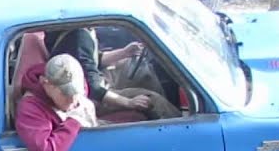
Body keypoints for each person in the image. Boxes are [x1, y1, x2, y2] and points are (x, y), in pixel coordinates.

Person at [45, 28, 179, 120]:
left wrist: (125, 52)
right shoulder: (79, 38)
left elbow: (94, 59)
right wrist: (129, 102)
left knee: (142, 70)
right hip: (89, 97)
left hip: (93, 80)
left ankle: (160, 114)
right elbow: (94, 88)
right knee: (153, 100)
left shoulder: (78, 31)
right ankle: (178, 123)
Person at [15, 54, 96, 151]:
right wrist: (74, 121)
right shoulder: (29, 109)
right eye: (65, 93)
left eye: (76, 92)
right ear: (45, 84)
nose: (73, 100)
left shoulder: (78, 86)